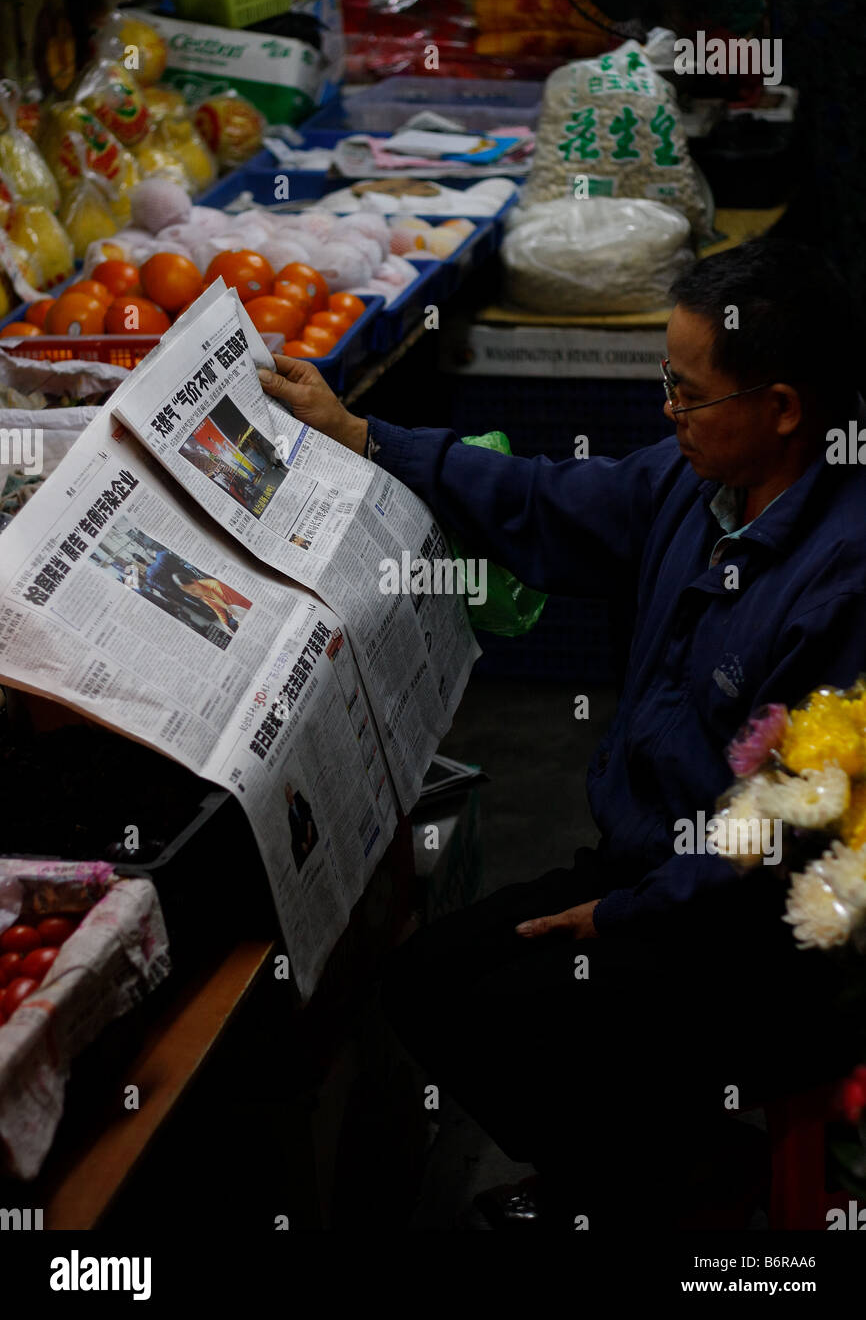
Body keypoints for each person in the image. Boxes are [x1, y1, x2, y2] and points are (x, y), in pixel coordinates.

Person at [258, 238, 866, 1229]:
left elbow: (781, 825)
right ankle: (645, 1169)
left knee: (517, 1012)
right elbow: (544, 500)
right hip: (642, 867)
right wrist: (365, 436)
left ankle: (676, 1195)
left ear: (783, 408)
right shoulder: (699, 483)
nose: (662, 411)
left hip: (753, 933)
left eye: (685, 391)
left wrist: (626, 916)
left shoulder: (841, 581)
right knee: (426, 979)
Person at [285, 781, 318, 872]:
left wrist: (309, 829)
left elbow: (308, 809)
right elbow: (294, 833)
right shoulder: (289, 815)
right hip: (302, 837)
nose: (288, 796)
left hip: (309, 827)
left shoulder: (298, 797)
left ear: (292, 791)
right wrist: (302, 843)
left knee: (314, 837)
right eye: (286, 795)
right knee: (301, 850)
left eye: (289, 792)